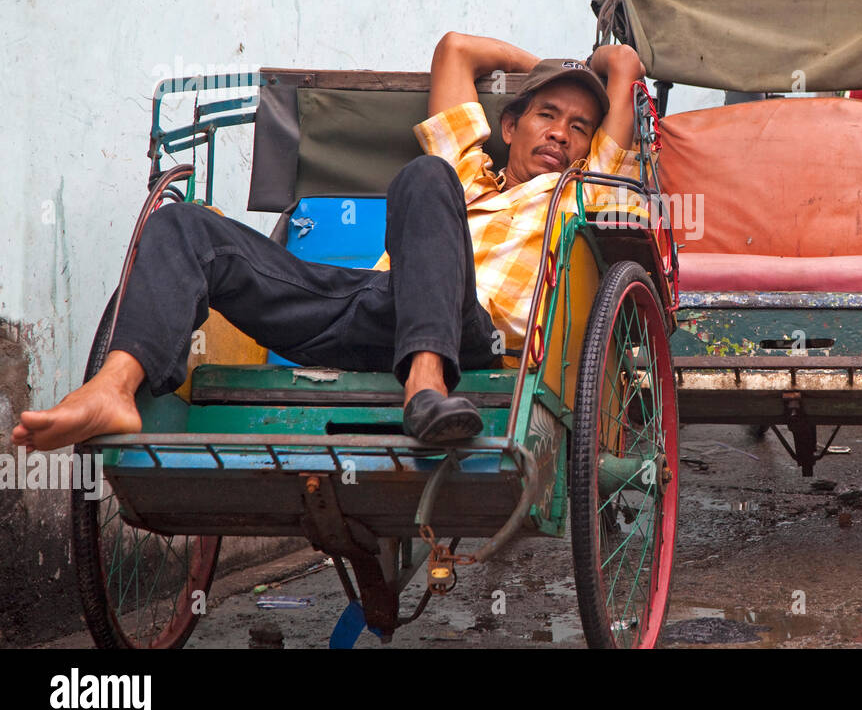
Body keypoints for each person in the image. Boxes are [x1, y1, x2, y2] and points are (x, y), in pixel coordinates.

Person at [13, 34, 645, 449]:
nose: (562, 134)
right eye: (546, 115)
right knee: (184, 224)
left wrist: (580, 73)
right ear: (508, 126)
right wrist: (542, 65)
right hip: (370, 307)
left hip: (472, 334)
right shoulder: (469, 171)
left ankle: (426, 384)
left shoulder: (586, 190)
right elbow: (456, 50)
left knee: (425, 177)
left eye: (578, 127)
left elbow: (624, 66)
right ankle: (115, 387)